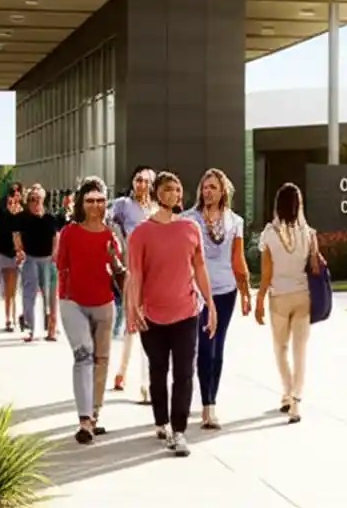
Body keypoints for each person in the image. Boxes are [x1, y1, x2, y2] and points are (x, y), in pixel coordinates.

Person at [126, 171, 217, 457]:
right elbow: (136, 274)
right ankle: (161, 421)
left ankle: (178, 431)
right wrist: (133, 308)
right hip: (152, 314)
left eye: (178, 189)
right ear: (156, 193)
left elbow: (200, 267)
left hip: (187, 311)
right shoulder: (141, 232)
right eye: (168, 189)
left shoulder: (191, 228)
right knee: (157, 371)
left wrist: (211, 304)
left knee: (184, 373)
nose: (175, 194)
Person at [183, 169, 251, 430]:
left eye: (213, 187)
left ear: (223, 191)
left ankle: (211, 403)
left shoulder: (235, 221)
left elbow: (238, 259)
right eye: (205, 187)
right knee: (204, 345)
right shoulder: (189, 219)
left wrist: (246, 293)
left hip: (226, 290)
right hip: (198, 291)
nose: (208, 191)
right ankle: (205, 403)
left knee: (218, 346)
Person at [57, 176, 123, 444]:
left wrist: (114, 259)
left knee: (102, 360)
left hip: (104, 303)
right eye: (90, 201)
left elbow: (119, 269)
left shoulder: (110, 235)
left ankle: (94, 415)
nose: (95, 205)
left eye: (100, 201)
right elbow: (61, 266)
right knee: (83, 355)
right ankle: (84, 421)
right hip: (73, 302)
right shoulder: (70, 232)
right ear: (81, 204)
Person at [254, 182, 319, 424]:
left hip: (279, 297)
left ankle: (288, 391)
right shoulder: (309, 234)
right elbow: (314, 268)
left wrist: (259, 299)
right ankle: (296, 401)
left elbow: (266, 273)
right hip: (303, 296)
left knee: (280, 348)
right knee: (300, 351)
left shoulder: (269, 234)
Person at [107, 166, 158, 401]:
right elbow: (108, 225)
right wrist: (117, 254)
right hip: (131, 271)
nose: (142, 185)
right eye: (138, 180)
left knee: (149, 326)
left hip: (155, 272)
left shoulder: (157, 209)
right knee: (131, 323)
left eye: (147, 181)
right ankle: (122, 371)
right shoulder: (123, 205)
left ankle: (146, 384)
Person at [14, 184, 61, 342]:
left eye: (38, 199)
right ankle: (29, 328)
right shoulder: (23, 218)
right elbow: (16, 235)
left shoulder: (50, 218)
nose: (35, 203)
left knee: (50, 296)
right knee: (29, 294)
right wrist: (19, 250)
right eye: (32, 200)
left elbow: (56, 237)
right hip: (31, 258)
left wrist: (55, 253)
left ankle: (52, 330)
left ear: (43, 200)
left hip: (48, 260)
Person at [0, 189, 25, 332]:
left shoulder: (21, 216)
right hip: (1, 254)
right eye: (10, 201)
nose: (13, 204)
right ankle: (11, 318)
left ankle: (10, 319)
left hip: (13, 255)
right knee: (7, 290)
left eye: (16, 201)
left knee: (11, 289)